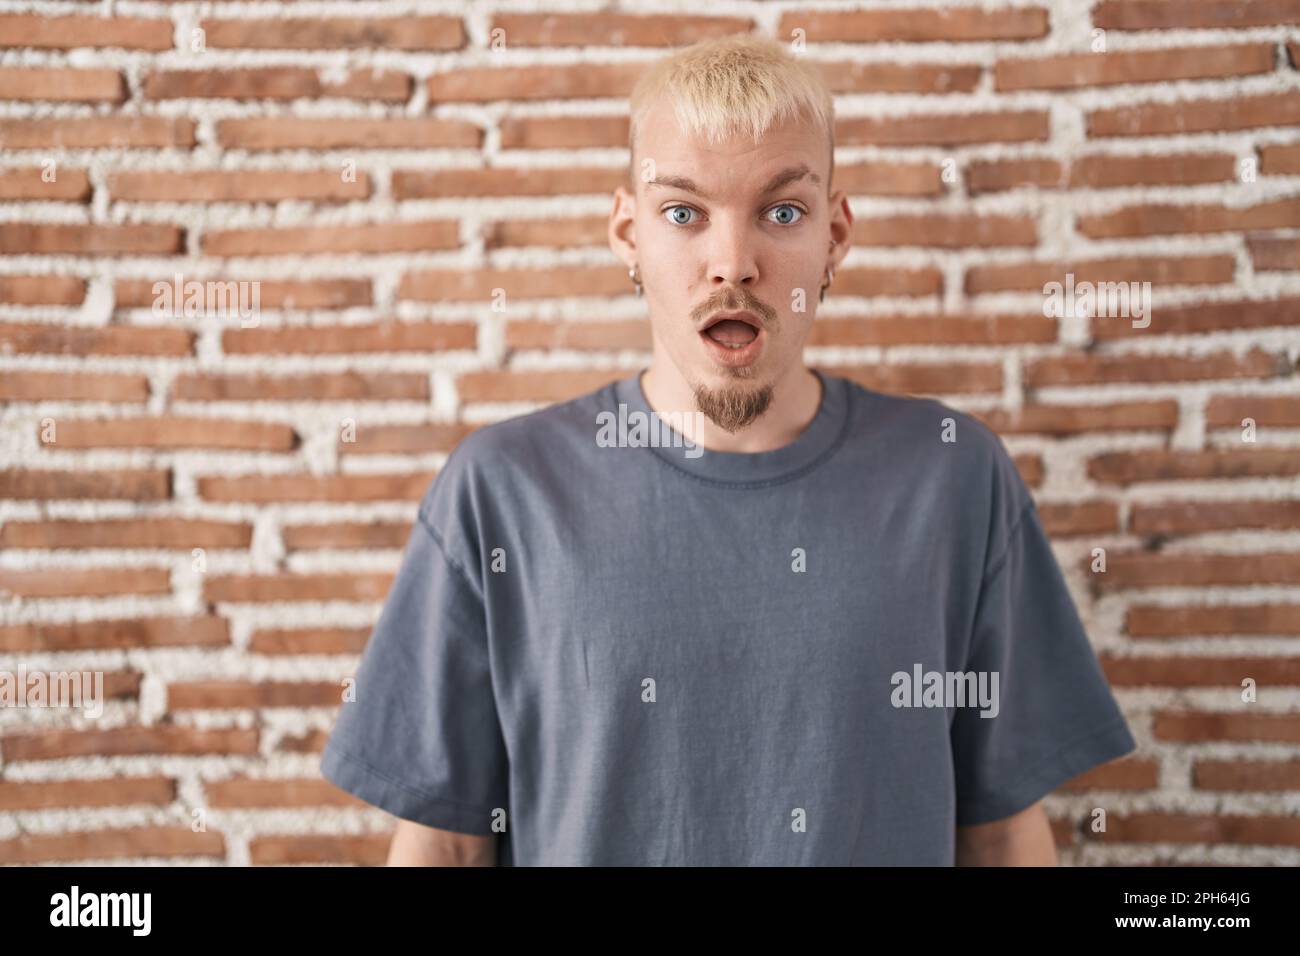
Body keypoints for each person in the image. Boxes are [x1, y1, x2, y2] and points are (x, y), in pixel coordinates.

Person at [319, 34, 1136, 866]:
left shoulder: (955, 478)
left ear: (835, 235)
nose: (732, 264)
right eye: (684, 213)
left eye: (782, 212)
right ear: (628, 234)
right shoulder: (499, 492)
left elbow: (1000, 835)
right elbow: (446, 849)